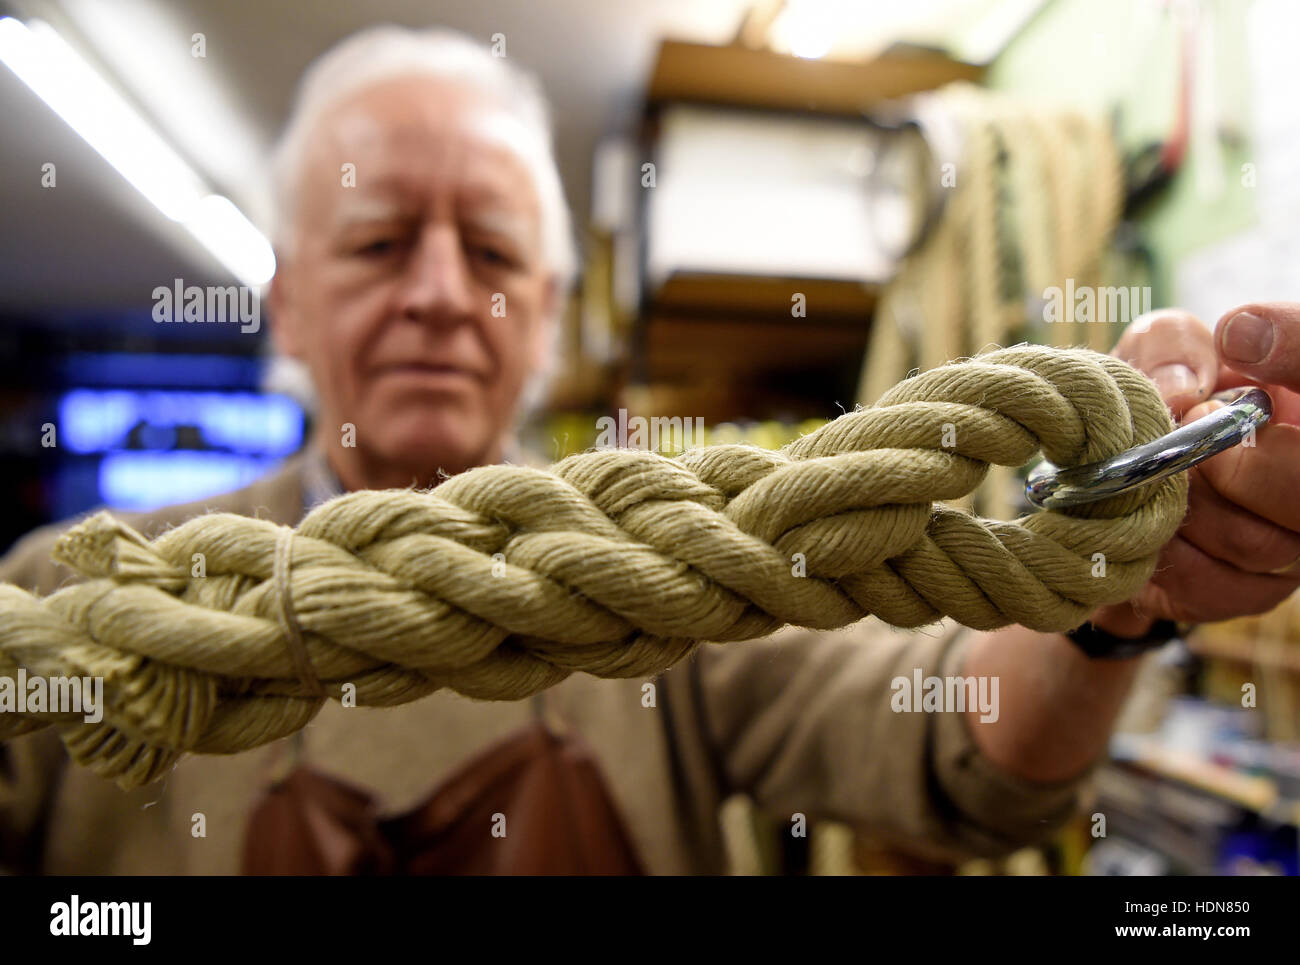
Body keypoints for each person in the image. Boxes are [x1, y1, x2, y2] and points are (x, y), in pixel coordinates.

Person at [2, 25, 1298, 874]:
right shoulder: (87, 590)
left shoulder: (674, 560)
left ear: (554, 304)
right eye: (381, 241)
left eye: (496, 251)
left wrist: (1113, 601)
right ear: (286, 299)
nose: (444, 293)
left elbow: (962, 759)